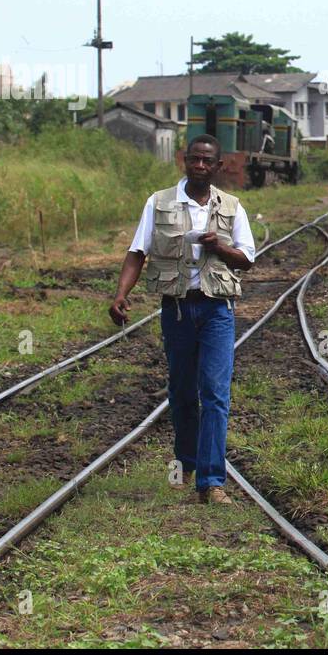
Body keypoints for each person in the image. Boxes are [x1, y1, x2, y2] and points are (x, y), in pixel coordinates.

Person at [109, 134, 256, 504]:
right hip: (176, 309)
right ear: (184, 161)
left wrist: (218, 247)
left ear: (219, 166)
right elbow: (137, 252)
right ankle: (187, 462)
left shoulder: (233, 207)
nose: (201, 166)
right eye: (195, 160)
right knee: (182, 392)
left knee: (215, 393)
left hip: (217, 310)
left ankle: (212, 482)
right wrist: (121, 294)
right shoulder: (158, 203)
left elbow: (247, 259)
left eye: (208, 161)